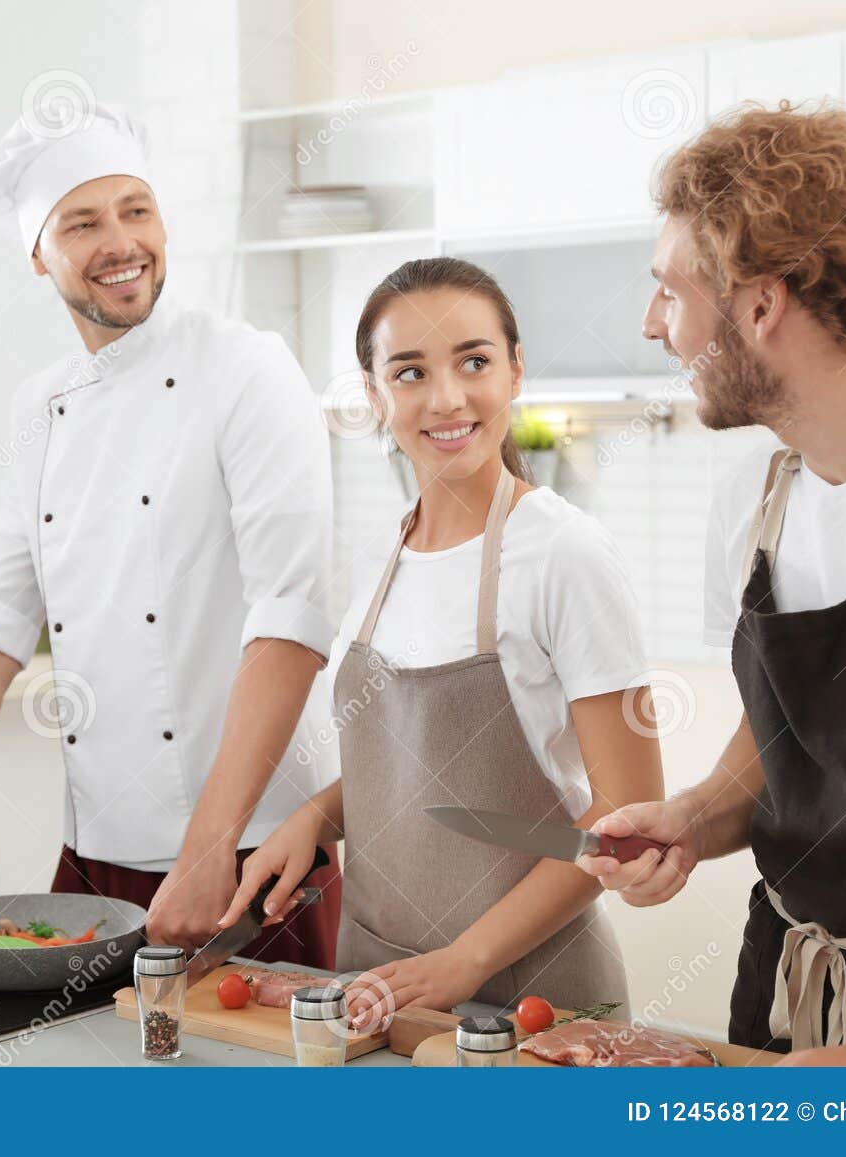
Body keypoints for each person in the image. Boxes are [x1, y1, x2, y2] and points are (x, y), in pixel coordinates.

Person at [0, 102, 341, 967]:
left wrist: (205, 846)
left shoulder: (246, 369)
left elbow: (291, 619)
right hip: (98, 853)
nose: (121, 242)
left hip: (250, 854)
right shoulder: (40, 405)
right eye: (83, 222)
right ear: (39, 255)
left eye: (136, 210)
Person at [580, 102, 846, 1066]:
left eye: (670, 292)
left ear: (760, 304)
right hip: (780, 1003)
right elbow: (786, 736)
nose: (654, 326)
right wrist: (694, 816)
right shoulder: (754, 497)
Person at [225, 258, 662, 1025]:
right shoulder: (374, 562)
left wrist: (468, 959)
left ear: (516, 370)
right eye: (410, 372)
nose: (447, 397)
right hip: (378, 980)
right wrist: (317, 818)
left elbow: (627, 811)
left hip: (535, 995)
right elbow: (411, 769)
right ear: (373, 395)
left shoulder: (566, 554)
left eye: (474, 361)